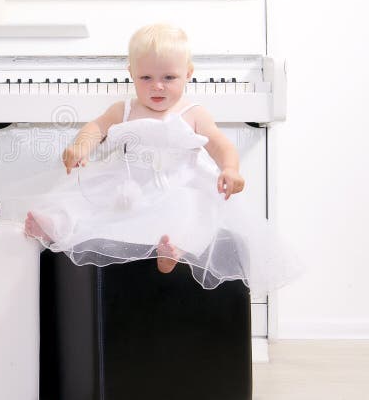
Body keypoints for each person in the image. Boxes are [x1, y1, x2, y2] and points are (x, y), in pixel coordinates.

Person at [22, 23, 300, 295]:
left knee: (188, 209)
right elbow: (96, 128)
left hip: (179, 183)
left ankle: (174, 251)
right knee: (86, 199)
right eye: (146, 78)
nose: (157, 86)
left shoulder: (193, 113)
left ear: (188, 73)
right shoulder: (124, 109)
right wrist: (81, 147)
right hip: (129, 184)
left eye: (169, 78)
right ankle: (54, 227)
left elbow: (219, 144)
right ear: (132, 74)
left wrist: (230, 169)